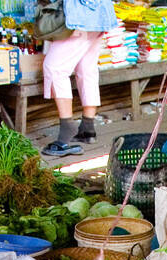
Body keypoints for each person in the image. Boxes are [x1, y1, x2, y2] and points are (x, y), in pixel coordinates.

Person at [41, 0, 118, 158]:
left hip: (81, 16)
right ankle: (87, 128)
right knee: (86, 69)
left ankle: (65, 134)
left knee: (54, 68)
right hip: (98, 16)